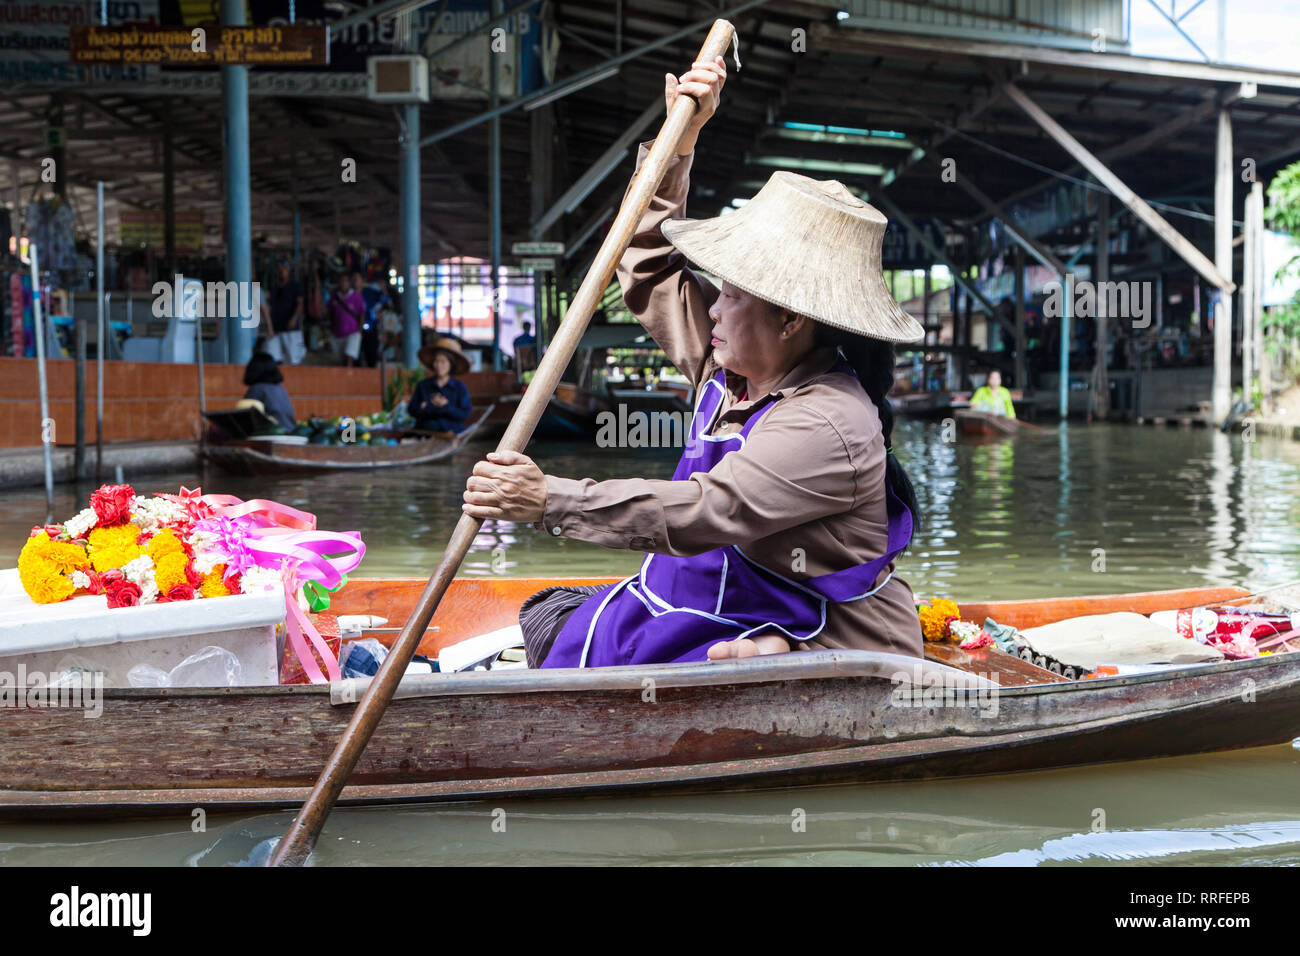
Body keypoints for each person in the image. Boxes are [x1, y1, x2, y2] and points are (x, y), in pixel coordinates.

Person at [462, 54, 926, 669]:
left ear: (790, 321)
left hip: (836, 640)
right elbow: (648, 262)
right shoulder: (731, 371)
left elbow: (709, 509)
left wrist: (550, 499)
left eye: (730, 296)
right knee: (549, 616)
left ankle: (768, 650)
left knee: (704, 663)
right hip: (732, 606)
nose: (711, 311)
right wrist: (677, 146)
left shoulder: (827, 422)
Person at [410, 337, 472, 434]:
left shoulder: (459, 387)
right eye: (436, 361)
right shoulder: (423, 385)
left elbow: (464, 414)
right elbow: (412, 410)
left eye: (443, 361)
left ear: (451, 364)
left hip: (452, 432)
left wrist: (446, 406)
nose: (439, 365)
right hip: (427, 432)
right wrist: (425, 408)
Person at [261, 258, 306, 365]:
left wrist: (294, 318)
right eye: (279, 269)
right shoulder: (274, 288)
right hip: (275, 328)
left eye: (284, 269)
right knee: (273, 358)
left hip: (291, 329)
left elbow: (300, 304)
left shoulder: (295, 286)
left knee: (293, 360)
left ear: (289, 271)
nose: (281, 271)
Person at [242, 347, 295, 430]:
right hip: (290, 431)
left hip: (274, 435)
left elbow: (245, 418)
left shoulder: (257, 389)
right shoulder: (280, 388)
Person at [329, 270, 366, 366]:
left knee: (349, 356)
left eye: (346, 281)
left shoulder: (357, 296)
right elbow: (331, 314)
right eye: (342, 281)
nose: (343, 283)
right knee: (339, 361)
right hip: (337, 333)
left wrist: (359, 330)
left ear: (350, 283)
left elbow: (362, 313)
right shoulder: (334, 297)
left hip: (352, 332)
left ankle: (349, 375)